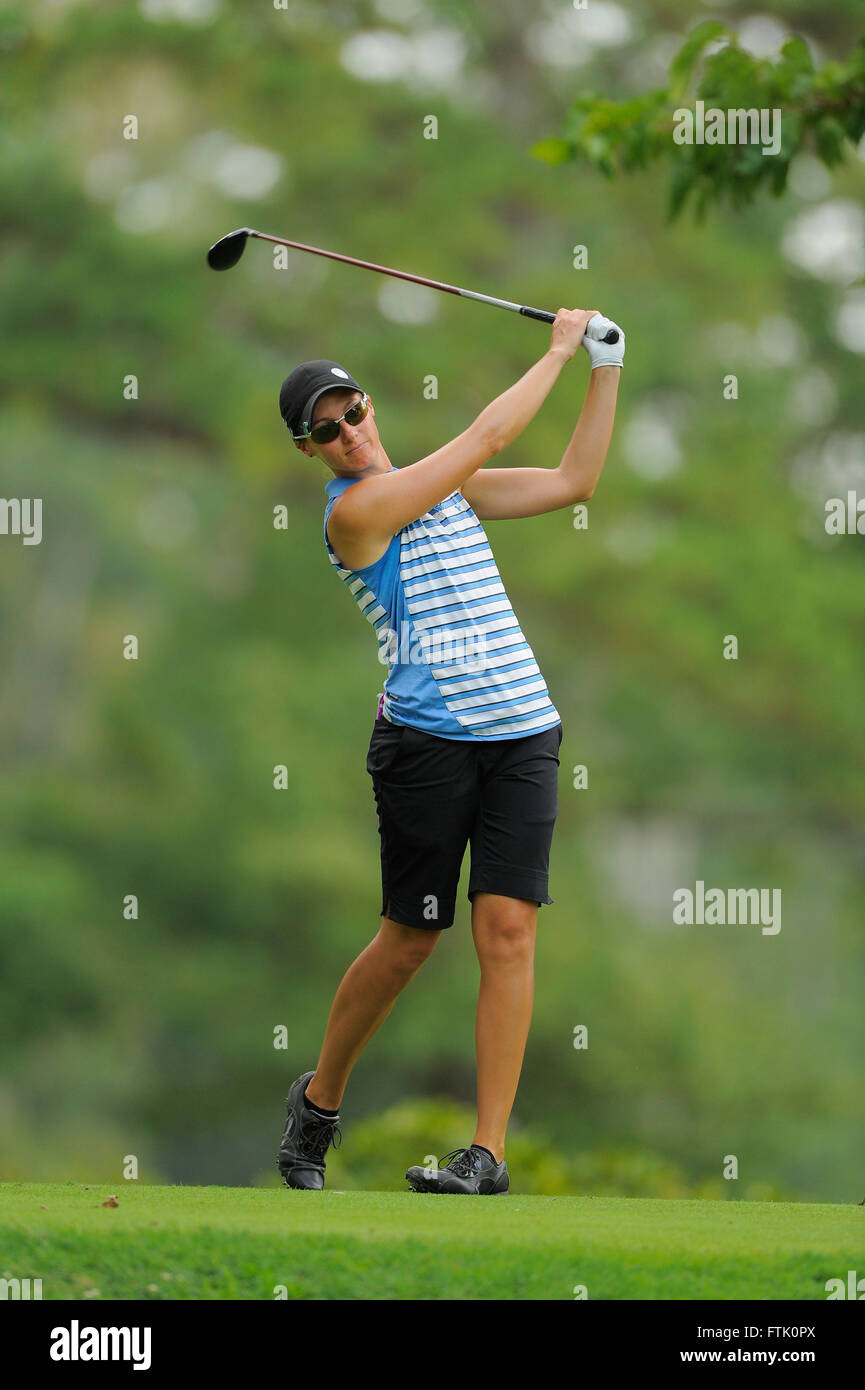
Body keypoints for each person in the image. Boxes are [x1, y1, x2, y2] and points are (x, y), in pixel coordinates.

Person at [276, 307, 624, 1194]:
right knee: (409, 941)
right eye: (326, 431)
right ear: (310, 451)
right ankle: (317, 1102)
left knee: (507, 933)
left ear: (368, 406)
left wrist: (603, 368)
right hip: (425, 747)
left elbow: (575, 480)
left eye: (351, 412)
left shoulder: (450, 492)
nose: (347, 434)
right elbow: (483, 434)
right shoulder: (357, 516)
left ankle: (488, 1154)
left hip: (523, 736)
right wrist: (554, 348)